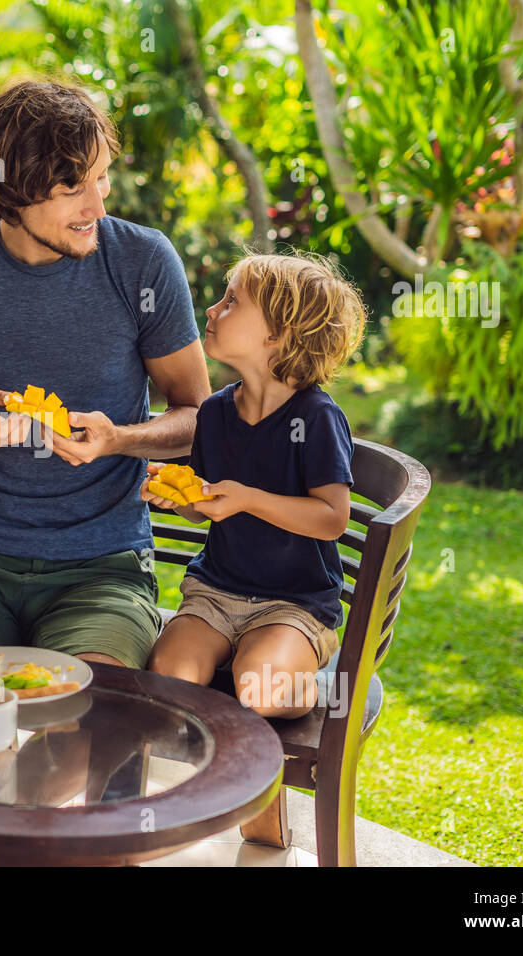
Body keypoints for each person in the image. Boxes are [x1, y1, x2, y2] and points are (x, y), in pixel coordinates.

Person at [0, 77, 210, 669]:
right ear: (13, 188)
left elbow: (196, 421)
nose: (98, 207)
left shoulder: (142, 262)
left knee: (88, 723)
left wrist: (121, 440)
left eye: (102, 176)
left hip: (104, 573)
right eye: (73, 188)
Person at [144, 251, 366, 717]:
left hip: (295, 605)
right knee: (169, 676)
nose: (212, 310)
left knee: (260, 689)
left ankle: (307, 685)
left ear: (278, 334)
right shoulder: (215, 413)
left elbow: (331, 519)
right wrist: (179, 496)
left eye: (231, 302)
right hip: (215, 593)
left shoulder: (317, 418)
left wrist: (248, 499)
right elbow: (207, 504)